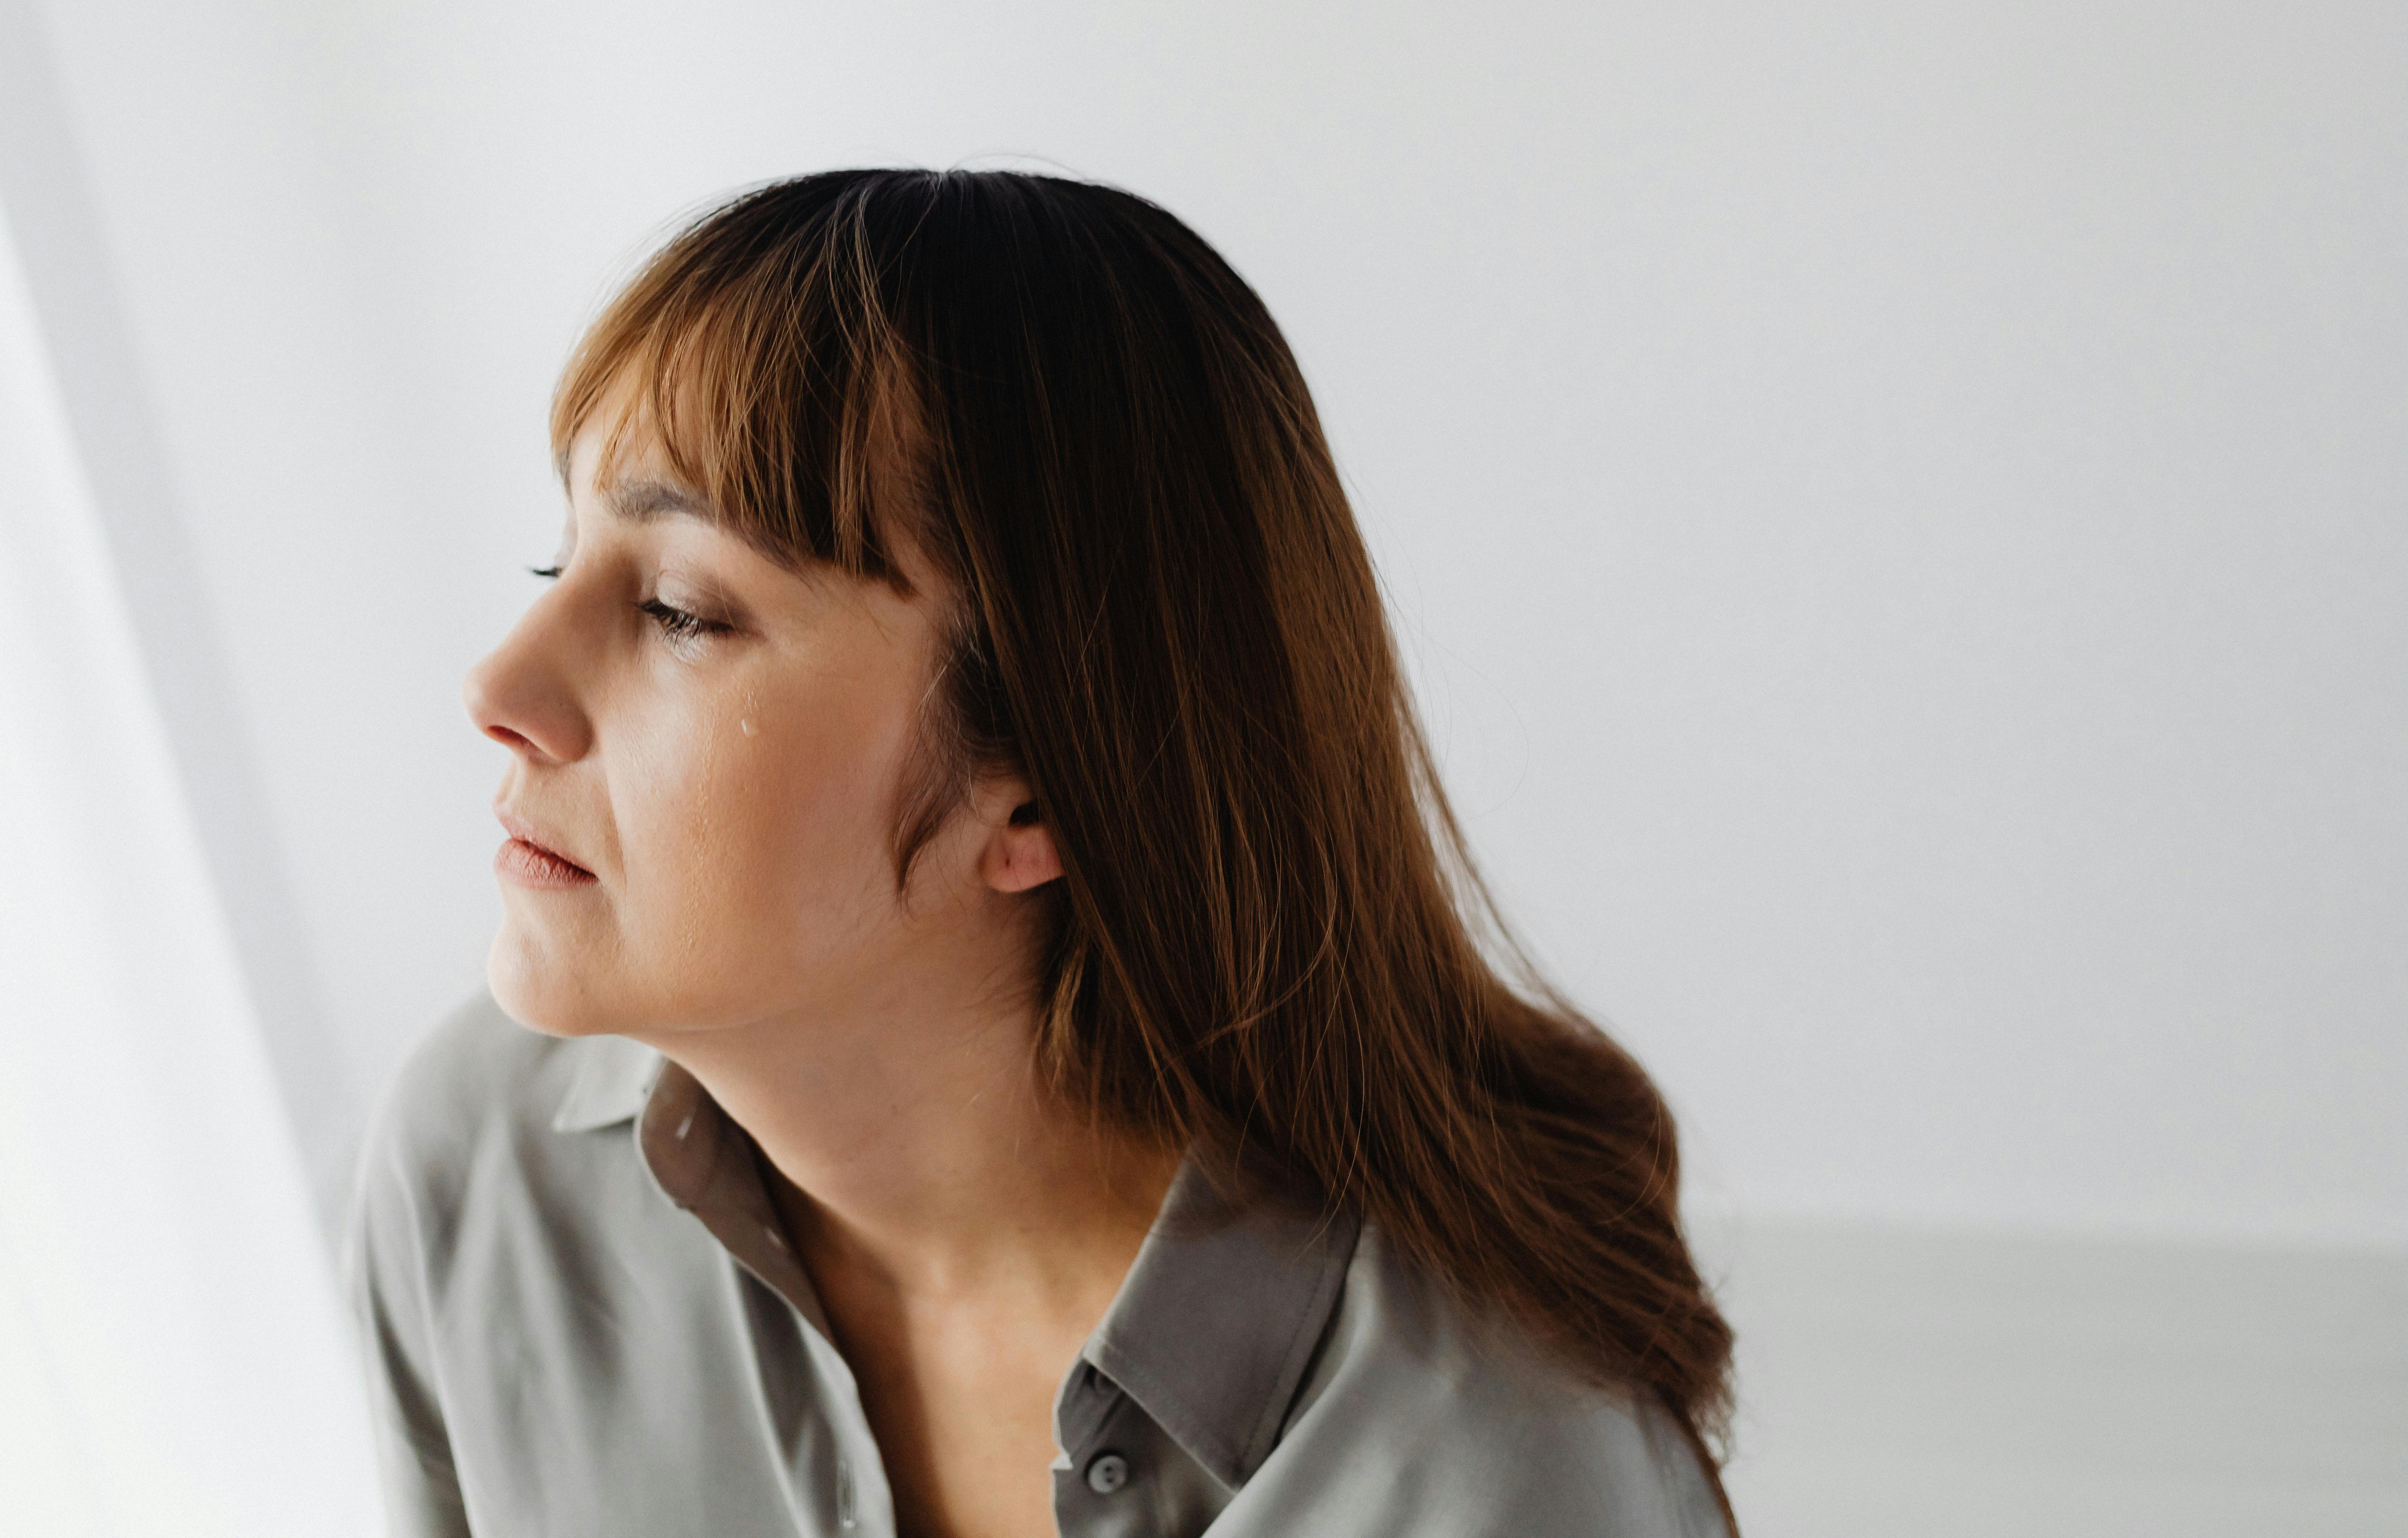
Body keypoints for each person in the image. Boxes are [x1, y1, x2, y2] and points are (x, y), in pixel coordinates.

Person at [347, 169, 1737, 1537]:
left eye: (680, 608)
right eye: (559, 563)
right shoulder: (483, 1168)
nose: (499, 685)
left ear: (1038, 797)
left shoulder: (1495, 1473)